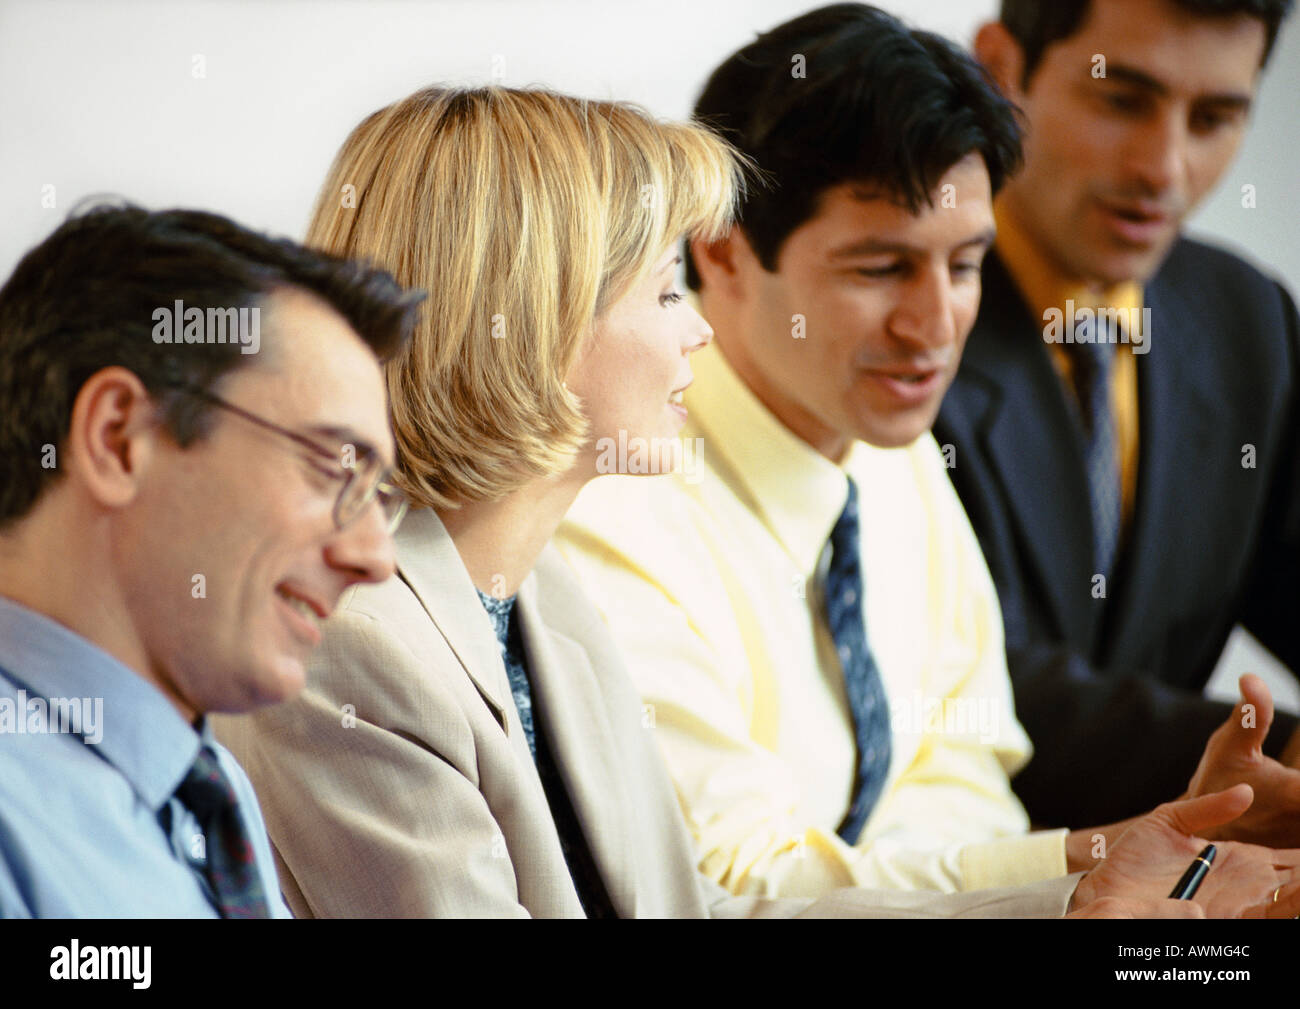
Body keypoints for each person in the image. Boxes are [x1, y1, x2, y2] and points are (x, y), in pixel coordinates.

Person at [216, 81, 1298, 919]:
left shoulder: (543, 600)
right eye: (664, 289)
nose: (697, 328)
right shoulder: (351, 645)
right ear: (534, 324)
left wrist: (1083, 890)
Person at [555, 2, 1300, 901]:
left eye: (964, 264)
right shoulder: (606, 504)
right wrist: (1091, 863)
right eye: (879, 269)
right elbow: (735, 886)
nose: (934, 328)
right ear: (723, 251)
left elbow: (968, 786)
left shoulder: (883, 445)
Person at [932, 0, 1300, 833]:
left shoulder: (1246, 317)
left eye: (1214, 117)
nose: (1163, 168)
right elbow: (969, 676)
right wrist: (1276, 754)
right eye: (1121, 99)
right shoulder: (891, 326)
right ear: (999, 65)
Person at [0, 202, 420, 917]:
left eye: (378, 494)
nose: (375, 557)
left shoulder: (209, 785)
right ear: (119, 438)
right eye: (330, 466)